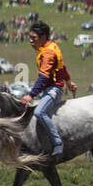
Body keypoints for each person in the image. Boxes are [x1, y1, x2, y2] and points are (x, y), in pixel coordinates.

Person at [20, 21, 76, 156]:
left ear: (43, 37)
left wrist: (31, 95)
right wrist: (69, 82)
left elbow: (44, 77)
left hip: (53, 90)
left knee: (39, 112)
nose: (30, 41)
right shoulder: (51, 47)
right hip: (49, 88)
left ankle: (58, 142)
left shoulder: (48, 53)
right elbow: (62, 67)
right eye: (30, 37)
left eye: (34, 38)